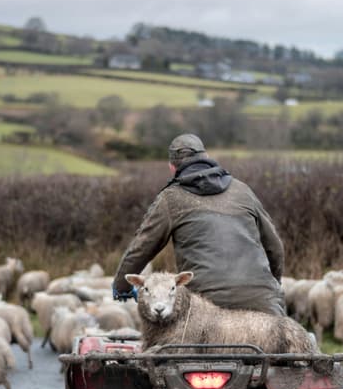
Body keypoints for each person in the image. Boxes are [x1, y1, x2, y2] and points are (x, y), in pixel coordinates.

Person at [112, 133, 286, 316]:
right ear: (208, 158)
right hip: (263, 303)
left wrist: (121, 286)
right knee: (286, 341)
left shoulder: (171, 199)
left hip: (206, 307)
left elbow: (141, 248)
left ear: (172, 167)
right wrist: (272, 285)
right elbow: (275, 248)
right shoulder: (242, 191)